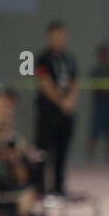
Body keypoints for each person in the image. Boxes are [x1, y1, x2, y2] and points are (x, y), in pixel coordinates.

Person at [33, 21, 78, 197]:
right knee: (44, 152)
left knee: (62, 151)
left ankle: (59, 186)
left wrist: (70, 101)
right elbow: (44, 83)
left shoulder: (69, 59)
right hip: (48, 112)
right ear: (49, 38)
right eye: (56, 37)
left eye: (62, 36)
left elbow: (75, 82)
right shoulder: (43, 58)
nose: (59, 40)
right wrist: (61, 101)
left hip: (65, 114)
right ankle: (39, 187)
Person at [86, 43, 109, 163]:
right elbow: (96, 87)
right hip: (99, 104)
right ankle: (89, 158)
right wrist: (105, 89)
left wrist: (107, 89)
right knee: (94, 132)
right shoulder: (96, 70)